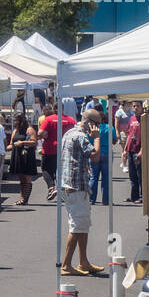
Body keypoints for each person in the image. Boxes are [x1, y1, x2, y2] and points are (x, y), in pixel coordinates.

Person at [59, 110, 104, 275]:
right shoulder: (81, 136)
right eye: (97, 124)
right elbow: (95, 156)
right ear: (90, 122)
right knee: (77, 225)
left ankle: (83, 262)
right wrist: (97, 137)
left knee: (82, 224)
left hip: (69, 184)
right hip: (76, 185)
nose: (98, 127)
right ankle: (66, 265)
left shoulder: (70, 132)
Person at [37, 104, 74, 201]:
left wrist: (46, 136)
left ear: (54, 109)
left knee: (46, 169)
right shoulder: (71, 120)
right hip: (65, 148)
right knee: (63, 171)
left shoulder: (49, 119)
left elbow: (40, 133)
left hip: (50, 148)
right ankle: (62, 191)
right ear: (63, 109)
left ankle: (51, 187)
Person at [8, 112, 37, 205]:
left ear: (21, 120)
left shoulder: (29, 129)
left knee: (27, 177)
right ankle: (22, 198)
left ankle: (25, 199)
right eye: (14, 120)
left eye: (16, 120)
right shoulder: (15, 130)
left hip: (27, 155)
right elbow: (11, 144)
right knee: (21, 178)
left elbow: (34, 142)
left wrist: (23, 143)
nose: (15, 122)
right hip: (17, 155)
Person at [89, 108, 111, 206]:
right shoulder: (109, 127)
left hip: (95, 152)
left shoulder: (92, 128)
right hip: (106, 153)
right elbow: (114, 140)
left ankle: (91, 199)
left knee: (94, 177)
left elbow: (89, 139)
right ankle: (105, 200)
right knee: (106, 178)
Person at [124, 102, 144, 202]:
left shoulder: (144, 119)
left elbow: (146, 136)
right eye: (134, 106)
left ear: (142, 107)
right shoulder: (131, 119)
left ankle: (142, 197)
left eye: (137, 106)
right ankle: (134, 196)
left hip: (138, 150)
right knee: (132, 175)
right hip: (130, 150)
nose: (135, 108)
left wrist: (141, 151)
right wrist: (125, 149)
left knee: (140, 175)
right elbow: (129, 135)